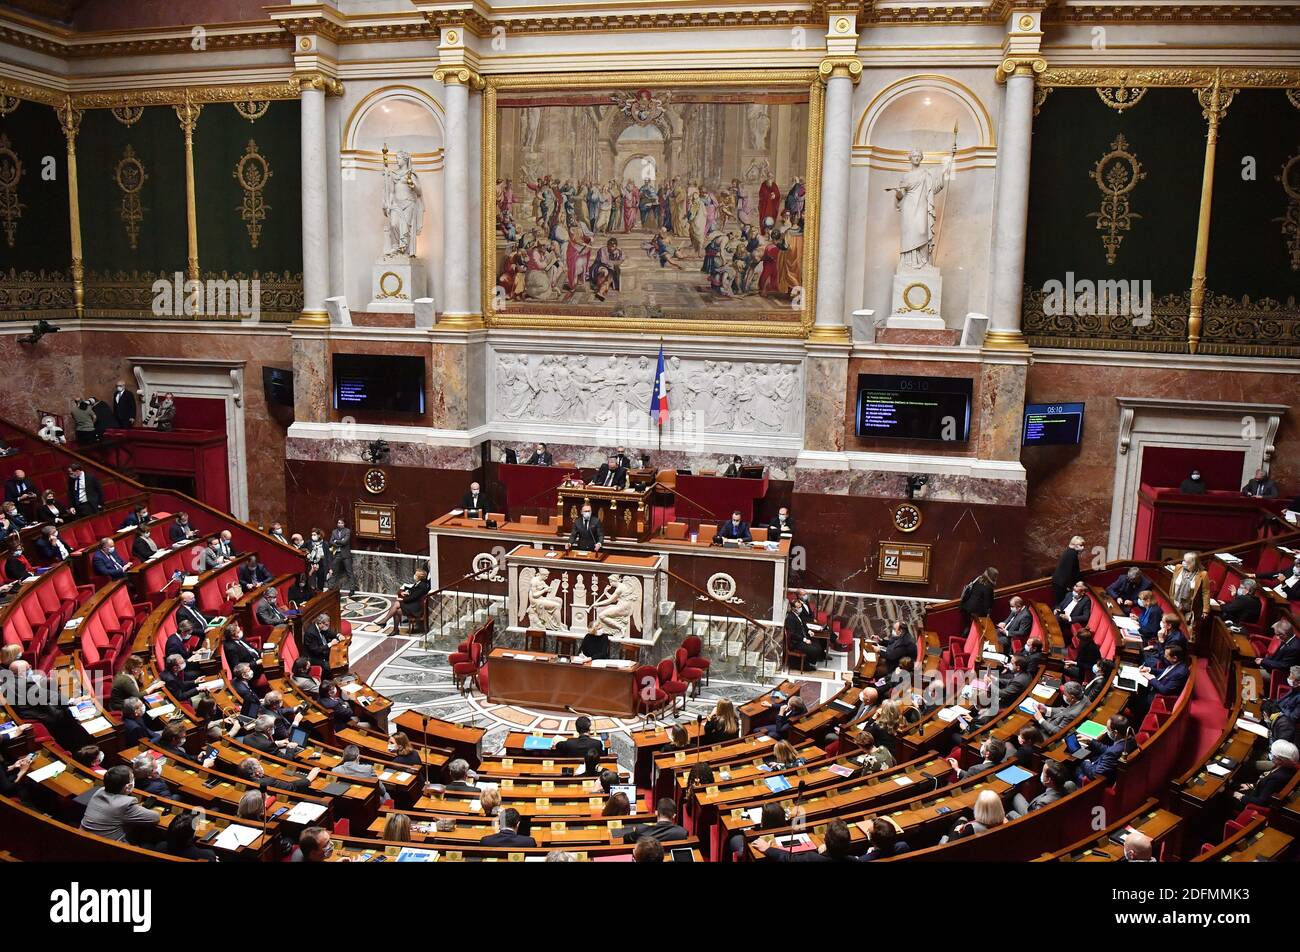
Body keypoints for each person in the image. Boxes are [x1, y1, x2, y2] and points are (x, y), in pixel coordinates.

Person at [79, 766, 162, 844]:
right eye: (132, 778)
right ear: (128, 787)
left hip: (81, 838)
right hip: (105, 847)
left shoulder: (99, 791)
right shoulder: (126, 804)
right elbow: (155, 818)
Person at [1235, 740, 1298, 807]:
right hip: (1256, 789)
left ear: (1280, 760)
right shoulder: (1284, 766)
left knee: (1227, 793)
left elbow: (1261, 802)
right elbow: (1265, 783)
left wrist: (1240, 796)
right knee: (1235, 785)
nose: (1271, 755)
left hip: (1252, 799)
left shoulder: (1276, 779)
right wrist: (1252, 785)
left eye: (1273, 754)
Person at [1075, 714, 1134, 784]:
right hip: (1113, 767)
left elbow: (1094, 774)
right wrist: (1090, 741)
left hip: (1106, 780)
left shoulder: (1113, 752)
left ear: (1115, 733)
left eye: (1108, 729)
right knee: (1094, 756)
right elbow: (1109, 749)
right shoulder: (1131, 739)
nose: (1107, 731)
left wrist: (1086, 761)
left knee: (1077, 768)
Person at [941, 789, 1010, 842]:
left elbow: (954, 842)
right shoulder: (1005, 821)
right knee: (963, 818)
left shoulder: (972, 828)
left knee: (945, 837)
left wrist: (957, 829)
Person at [378, 568, 431, 634]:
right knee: (396, 610)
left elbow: (414, 597)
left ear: (419, 577)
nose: (414, 575)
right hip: (413, 604)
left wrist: (402, 599)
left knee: (397, 603)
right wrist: (406, 592)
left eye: (416, 574)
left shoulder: (422, 586)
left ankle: (385, 621)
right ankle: (395, 629)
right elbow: (413, 590)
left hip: (416, 609)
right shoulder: (419, 583)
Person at [620, 797, 687, 843]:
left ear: (656, 812)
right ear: (674, 816)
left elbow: (626, 838)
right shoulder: (682, 833)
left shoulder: (641, 830)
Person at [784, 598, 824, 665]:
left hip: (803, 636)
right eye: (798, 607)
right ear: (793, 608)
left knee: (818, 645)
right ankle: (807, 663)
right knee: (815, 649)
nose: (800, 608)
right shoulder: (790, 618)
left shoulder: (798, 615)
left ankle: (812, 660)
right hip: (797, 642)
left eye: (800, 606)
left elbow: (803, 625)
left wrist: (808, 631)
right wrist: (805, 640)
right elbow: (793, 634)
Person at [1051, 535, 1086, 603]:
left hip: (1059, 582)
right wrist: (1070, 586)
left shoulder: (1070, 552)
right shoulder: (1072, 554)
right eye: (1081, 545)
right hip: (1061, 584)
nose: (1083, 548)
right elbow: (1068, 572)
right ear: (1075, 545)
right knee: (1061, 603)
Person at [326, 519, 356, 595]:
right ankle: (330, 587)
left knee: (349, 572)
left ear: (344, 524)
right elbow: (331, 541)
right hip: (337, 554)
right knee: (333, 571)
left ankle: (352, 589)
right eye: (338, 523)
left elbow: (345, 541)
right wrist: (338, 542)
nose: (339, 524)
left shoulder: (347, 531)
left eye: (341, 523)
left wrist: (336, 541)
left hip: (346, 555)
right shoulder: (334, 531)